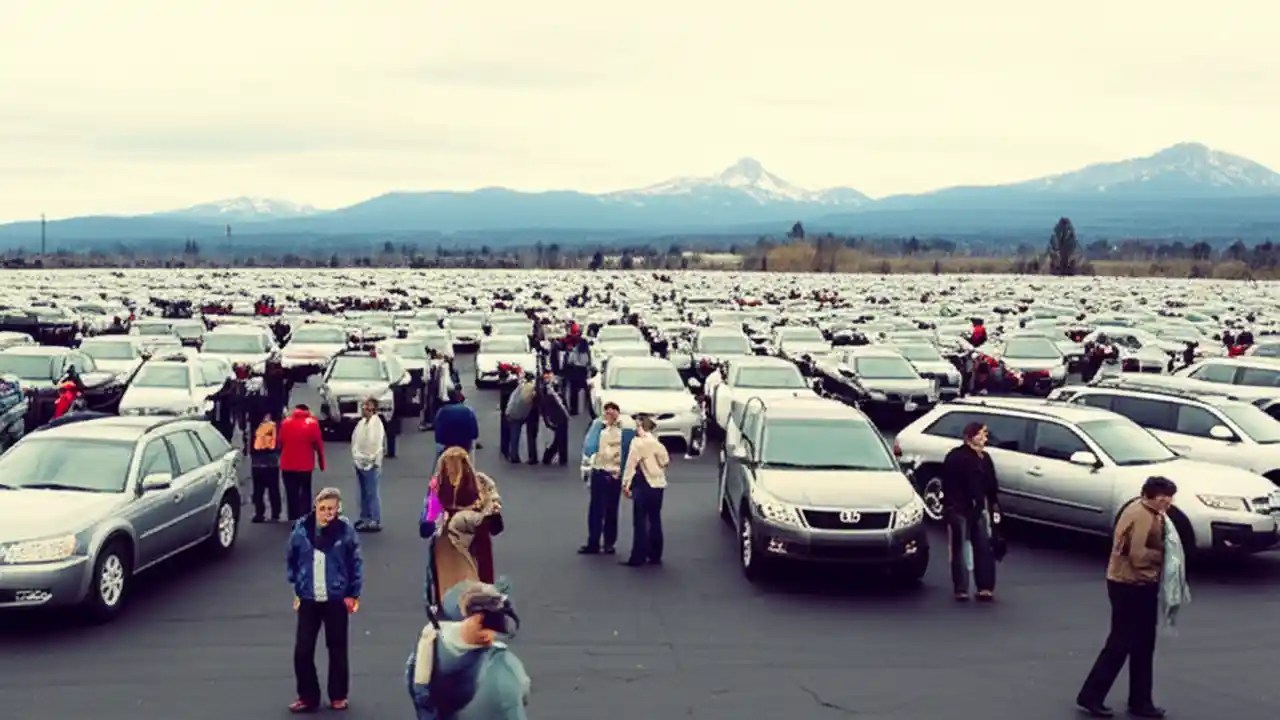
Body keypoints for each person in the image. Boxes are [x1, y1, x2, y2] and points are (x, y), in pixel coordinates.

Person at [1076, 477, 1180, 719]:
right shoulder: (1142, 515)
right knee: (1121, 642)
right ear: (1149, 495)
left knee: (1143, 644)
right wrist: (1165, 557)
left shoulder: (1149, 512)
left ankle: (1141, 700)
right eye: (1163, 498)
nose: (1168, 502)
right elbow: (1138, 555)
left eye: (1170, 497)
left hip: (1138, 583)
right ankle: (1092, 695)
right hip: (1130, 584)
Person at [286, 487, 363, 714]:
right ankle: (307, 696)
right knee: (303, 649)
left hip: (336, 598)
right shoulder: (301, 531)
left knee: (337, 647)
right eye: (323, 508)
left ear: (338, 510)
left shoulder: (345, 532)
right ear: (315, 508)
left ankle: (338, 695)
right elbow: (292, 558)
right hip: (309, 598)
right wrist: (297, 587)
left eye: (331, 509)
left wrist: (352, 594)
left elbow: (355, 564)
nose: (327, 513)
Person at [406, 580, 530, 720]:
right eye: (482, 625)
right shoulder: (429, 646)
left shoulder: (498, 664)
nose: (489, 635)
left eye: (493, 629)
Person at [428, 448, 504, 606]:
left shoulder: (438, 486)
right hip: (475, 536)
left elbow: (429, 521)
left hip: (446, 539)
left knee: (446, 573)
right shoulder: (481, 484)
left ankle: (444, 601)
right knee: (479, 570)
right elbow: (496, 523)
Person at [941, 422, 1000, 602]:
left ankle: (985, 586)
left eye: (985, 434)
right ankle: (961, 588)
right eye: (981, 434)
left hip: (979, 509)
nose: (985, 438)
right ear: (970, 436)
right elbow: (950, 485)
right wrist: (952, 507)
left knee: (984, 547)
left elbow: (991, 485)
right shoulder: (956, 457)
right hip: (959, 509)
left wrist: (994, 506)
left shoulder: (985, 458)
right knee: (959, 549)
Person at [578, 403, 635, 555]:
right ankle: (594, 542)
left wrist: (624, 475)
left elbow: (628, 453)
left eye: (613, 412)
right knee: (596, 510)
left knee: (611, 510)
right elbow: (589, 447)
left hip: (614, 474)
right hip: (600, 471)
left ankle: (609, 542)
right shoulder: (598, 428)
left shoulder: (624, 431)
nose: (610, 415)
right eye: (607, 412)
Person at [620, 415, 669, 567]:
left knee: (640, 521)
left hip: (643, 484)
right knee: (655, 519)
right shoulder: (657, 443)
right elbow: (665, 461)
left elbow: (631, 464)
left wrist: (625, 484)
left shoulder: (638, 443)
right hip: (658, 485)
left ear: (641, 426)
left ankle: (638, 557)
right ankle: (655, 554)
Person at [280, 404, 327, 522]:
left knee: (291, 492)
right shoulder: (312, 424)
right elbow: (318, 445)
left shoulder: (285, 423)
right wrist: (321, 463)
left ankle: (293, 516)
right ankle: (305, 516)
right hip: (305, 465)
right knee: (305, 491)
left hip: (288, 464)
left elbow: (280, 441)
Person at [351, 397, 386, 533]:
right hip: (359, 462)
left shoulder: (376, 424)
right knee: (363, 493)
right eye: (363, 406)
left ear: (373, 409)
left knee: (371, 492)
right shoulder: (361, 423)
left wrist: (370, 460)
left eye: (368, 407)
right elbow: (355, 440)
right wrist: (356, 457)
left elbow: (375, 444)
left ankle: (374, 519)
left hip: (371, 463)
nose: (364, 409)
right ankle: (364, 518)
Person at [250, 411, 283, 523]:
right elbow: (279, 442)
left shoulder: (255, 426)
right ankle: (275, 514)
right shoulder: (275, 425)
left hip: (257, 462)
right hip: (271, 461)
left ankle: (259, 513)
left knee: (258, 490)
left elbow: (251, 445)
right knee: (274, 489)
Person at [434, 388, 479, 467]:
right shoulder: (468, 410)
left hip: (447, 443)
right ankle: (471, 468)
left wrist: (439, 445)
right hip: (465, 442)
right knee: (471, 451)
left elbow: (438, 432)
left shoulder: (441, 411)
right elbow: (475, 433)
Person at [503, 373, 537, 464]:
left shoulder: (520, 387)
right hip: (524, 412)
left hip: (513, 412)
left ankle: (514, 455)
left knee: (515, 434)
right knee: (531, 434)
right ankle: (532, 456)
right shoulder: (532, 388)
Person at [538, 368, 570, 466]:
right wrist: (547, 420)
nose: (548, 377)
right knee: (559, 438)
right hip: (555, 416)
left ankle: (560, 457)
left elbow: (562, 399)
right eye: (546, 375)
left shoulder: (555, 386)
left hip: (562, 414)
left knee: (561, 438)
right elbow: (543, 406)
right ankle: (551, 456)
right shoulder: (543, 389)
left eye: (549, 375)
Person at [562, 329, 591, 415]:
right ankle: (583, 408)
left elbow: (573, 360)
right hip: (580, 371)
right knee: (582, 390)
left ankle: (574, 409)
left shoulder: (578, 348)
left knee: (575, 391)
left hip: (577, 371)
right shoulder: (584, 350)